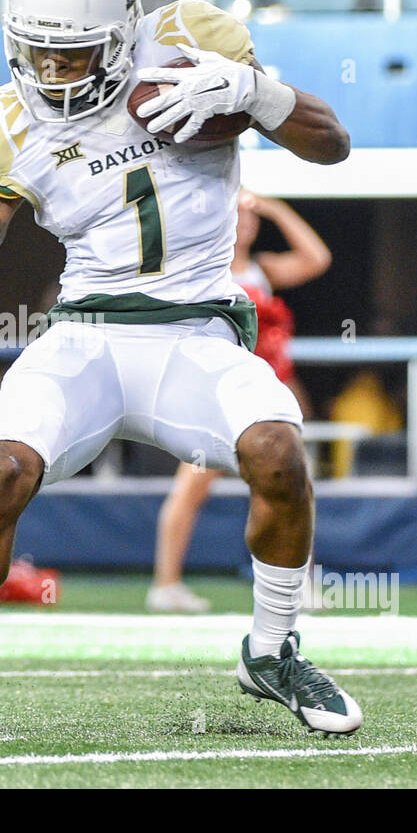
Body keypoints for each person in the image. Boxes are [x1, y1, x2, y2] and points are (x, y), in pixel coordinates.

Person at [0, 0, 361, 739]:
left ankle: (271, 649)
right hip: (86, 336)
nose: (52, 73)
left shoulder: (192, 44)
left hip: (197, 334)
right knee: (3, 468)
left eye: (75, 55)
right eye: (38, 53)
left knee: (278, 449)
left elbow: (333, 146)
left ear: (125, 33)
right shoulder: (3, 120)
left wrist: (257, 94)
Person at [148, 189, 331, 613]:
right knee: (191, 487)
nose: (245, 223)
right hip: (216, 399)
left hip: (263, 398)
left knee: (290, 483)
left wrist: (273, 206)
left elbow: (316, 259)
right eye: (236, 215)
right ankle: (165, 584)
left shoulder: (263, 268)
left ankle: (297, 583)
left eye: (250, 218)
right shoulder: (202, 272)